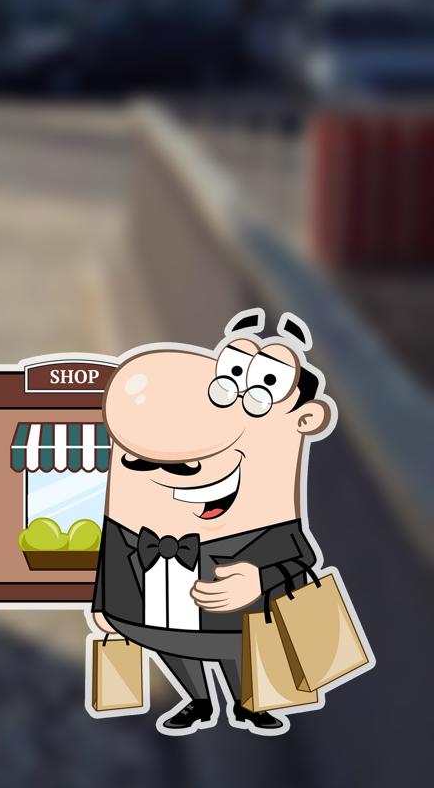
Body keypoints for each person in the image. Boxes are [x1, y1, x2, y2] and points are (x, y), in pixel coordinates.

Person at [89, 308, 343, 735]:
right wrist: (102, 605)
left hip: (234, 620)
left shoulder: (268, 523)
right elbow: (114, 551)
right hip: (153, 612)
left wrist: (258, 581)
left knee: (236, 652)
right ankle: (197, 699)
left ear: (305, 419)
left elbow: (297, 556)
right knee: (173, 649)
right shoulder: (131, 519)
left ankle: (248, 703)